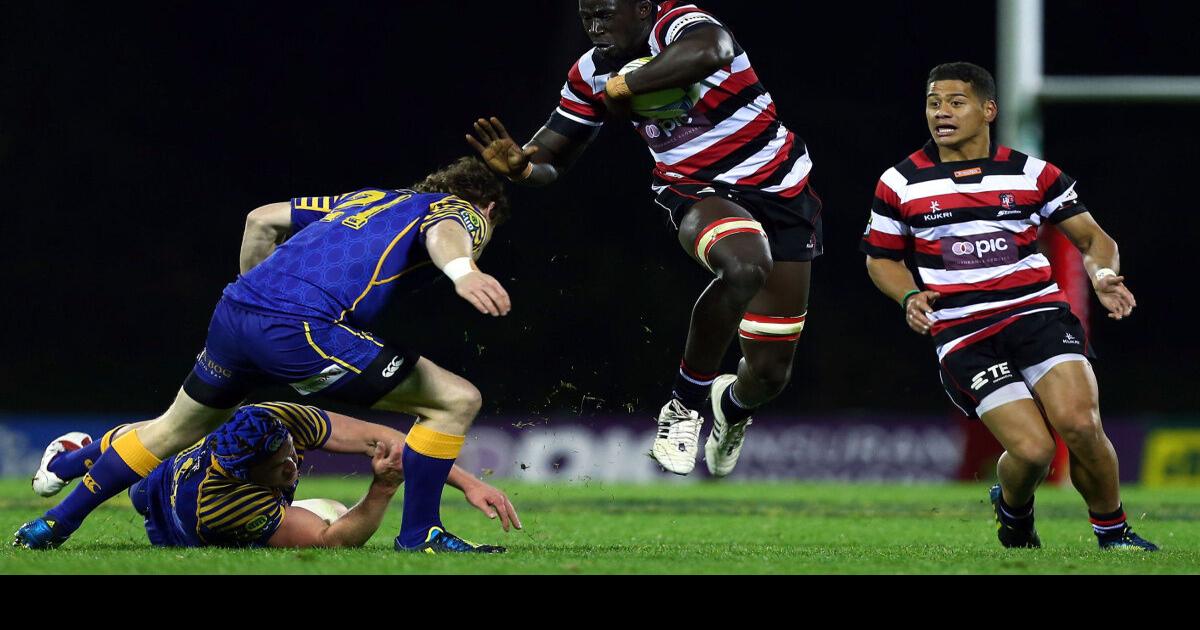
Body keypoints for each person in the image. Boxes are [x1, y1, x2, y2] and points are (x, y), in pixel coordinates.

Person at [14, 157, 519, 553]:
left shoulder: (365, 199)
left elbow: (261, 220)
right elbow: (447, 232)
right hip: (300, 328)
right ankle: (422, 534)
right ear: (490, 210)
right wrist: (464, 271)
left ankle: (52, 525)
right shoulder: (462, 211)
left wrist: (258, 294)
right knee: (456, 399)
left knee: (171, 431)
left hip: (235, 314)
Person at [466, 0, 821, 477]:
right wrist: (523, 167)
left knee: (770, 373)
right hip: (696, 189)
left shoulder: (677, 22)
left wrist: (626, 85)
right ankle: (683, 407)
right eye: (587, 16)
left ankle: (732, 408)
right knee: (743, 266)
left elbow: (712, 49)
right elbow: (551, 157)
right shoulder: (588, 72)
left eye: (606, 14)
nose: (595, 27)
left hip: (784, 191)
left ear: (642, 9)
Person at [860, 62, 1156, 551]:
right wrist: (908, 295)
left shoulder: (1032, 172)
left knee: (1080, 424)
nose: (941, 112)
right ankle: (1014, 511)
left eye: (956, 102)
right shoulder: (900, 182)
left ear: (988, 110)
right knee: (1034, 451)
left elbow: (1093, 239)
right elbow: (881, 259)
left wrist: (1103, 275)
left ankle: (1113, 534)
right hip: (963, 333)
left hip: (1037, 315)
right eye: (934, 103)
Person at [30, 402, 519, 549]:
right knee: (138, 465)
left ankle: (65, 462)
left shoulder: (275, 420)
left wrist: (470, 482)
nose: (293, 461)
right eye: (279, 465)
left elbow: (386, 440)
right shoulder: (226, 502)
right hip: (168, 509)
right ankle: (67, 463)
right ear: (246, 475)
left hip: (183, 464)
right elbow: (330, 541)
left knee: (155, 431)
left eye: (288, 449)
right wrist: (383, 488)